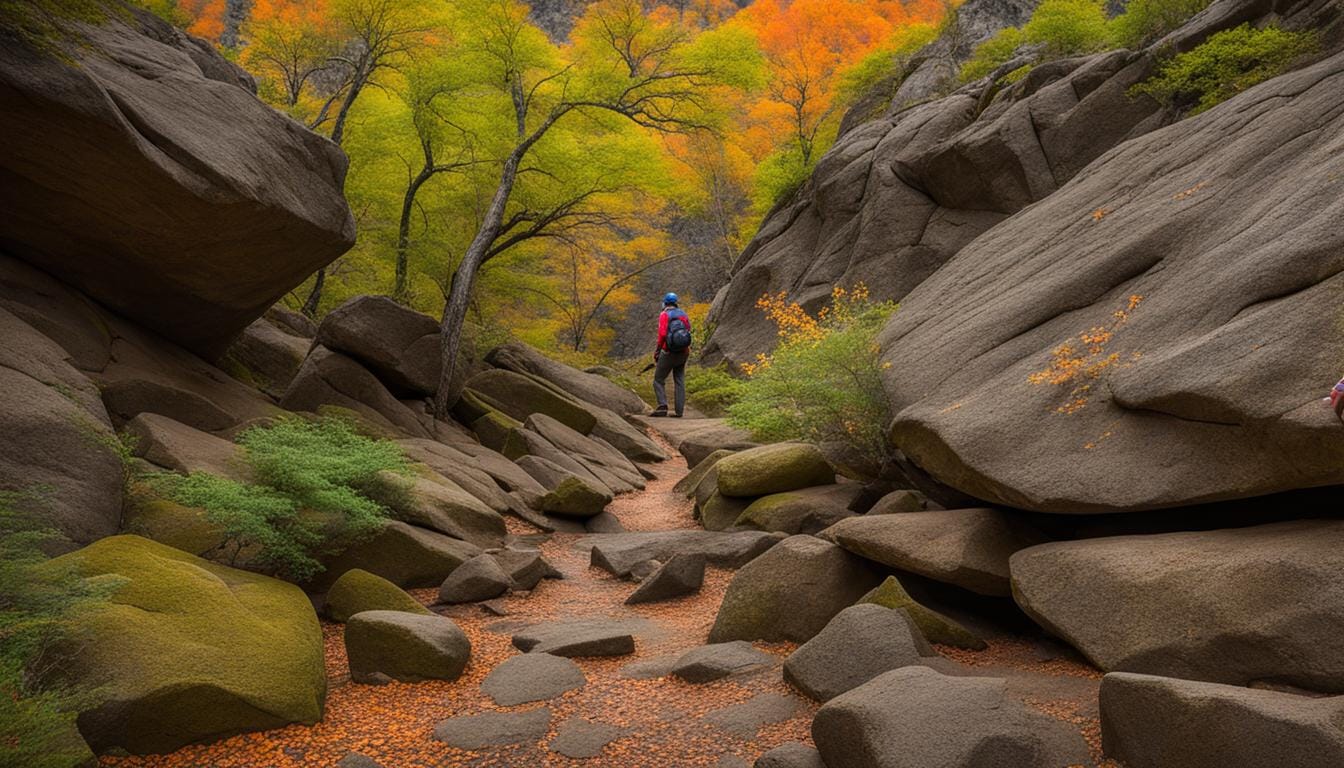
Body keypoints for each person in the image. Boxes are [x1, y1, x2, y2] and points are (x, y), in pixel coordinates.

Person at [650, 292, 691, 417]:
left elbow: (662, 335)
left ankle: (662, 406)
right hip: (683, 352)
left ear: (665, 303)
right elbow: (688, 330)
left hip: (668, 352)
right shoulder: (683, 314)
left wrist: (657, 351)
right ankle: (679, 411)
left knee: (658, 379)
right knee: (679, 380)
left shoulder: (664, 314)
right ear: (676, 302)